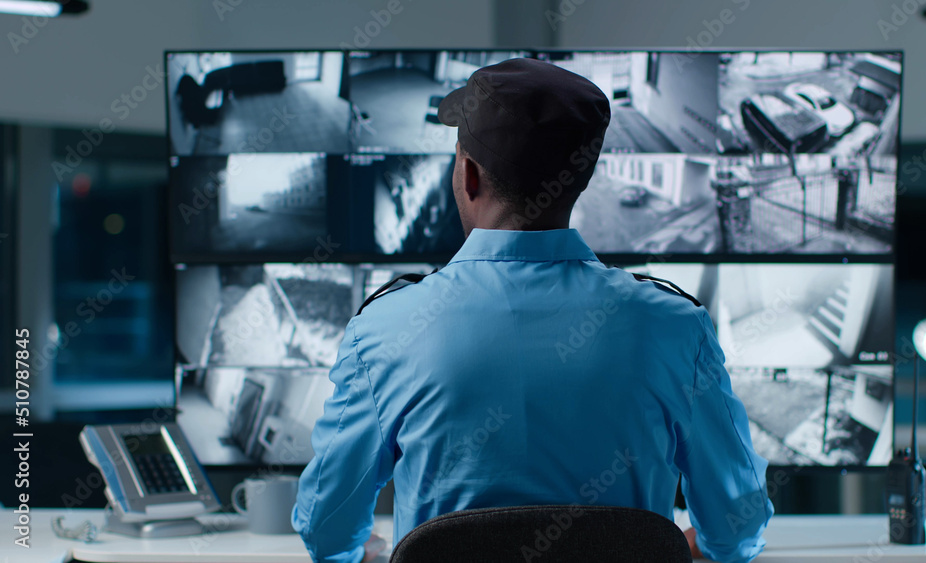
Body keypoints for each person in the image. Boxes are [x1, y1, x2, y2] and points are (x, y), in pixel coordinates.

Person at [293, 57, 772, 563]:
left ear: (467, 174)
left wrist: (361, 550)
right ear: (581, 180)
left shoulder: (385, 330)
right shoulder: (675, 328)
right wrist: (695, 544)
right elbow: (736, 527)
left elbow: (326, 530)